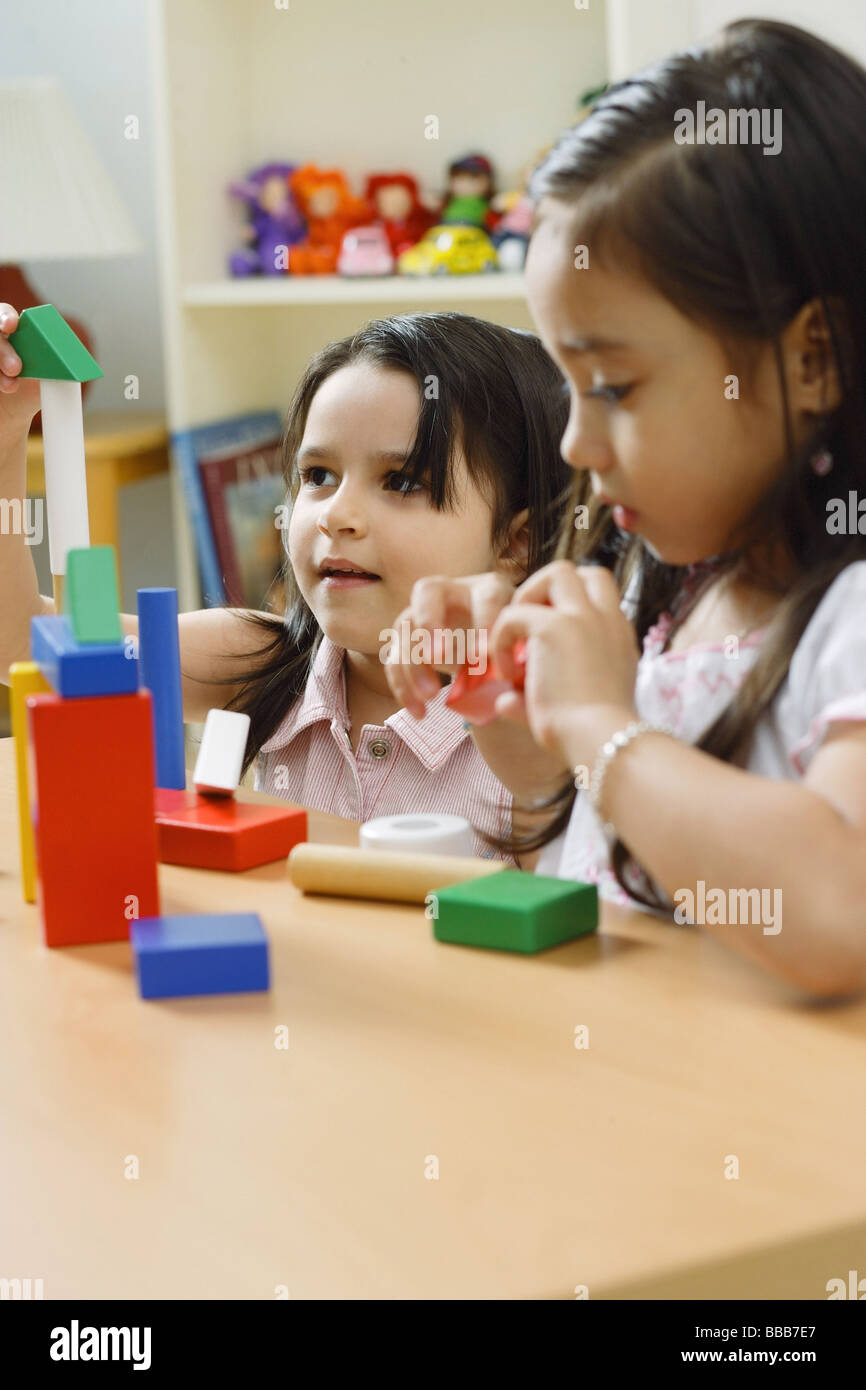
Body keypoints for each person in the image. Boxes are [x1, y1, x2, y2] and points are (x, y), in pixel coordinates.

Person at [385, 21, 866, 993]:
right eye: (567, 388)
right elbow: (561, 793)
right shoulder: (672, 588)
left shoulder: (847, 615)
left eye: (612, 385)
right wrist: (507, 691)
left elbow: (833, 913)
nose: (572, 444)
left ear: (810, 358)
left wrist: (602, 721)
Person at [0, 310, 570, 859]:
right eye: (318, 476)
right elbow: (26, 643)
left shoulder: (540, 723)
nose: (336, 515)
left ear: (515, 544)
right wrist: (5, 436)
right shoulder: (261, 658)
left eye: (399, 481)